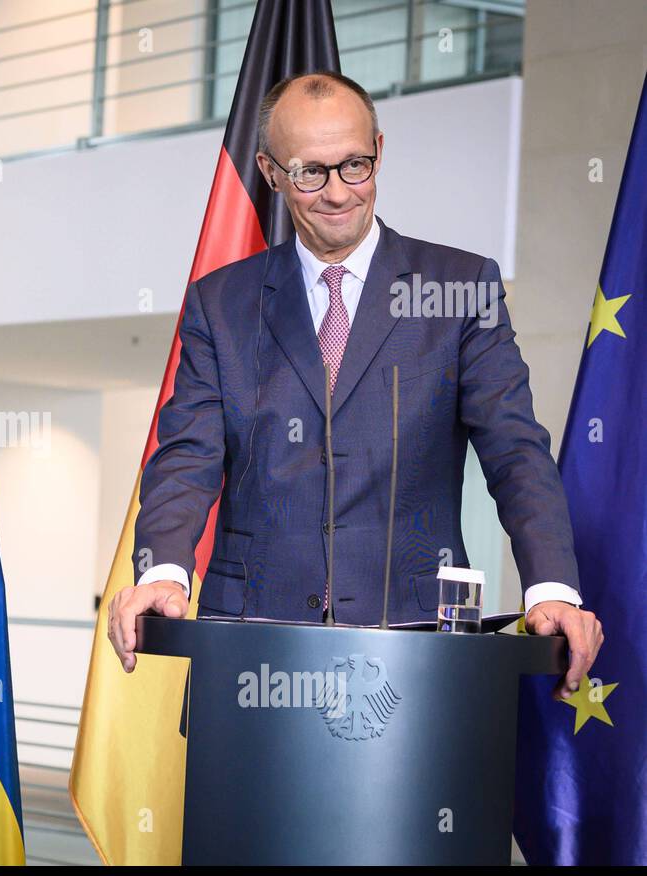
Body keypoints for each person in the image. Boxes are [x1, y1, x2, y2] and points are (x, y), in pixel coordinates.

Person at [108, 71, 602, 702]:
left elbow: (515, 450)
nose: (337, 192)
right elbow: (188, 457)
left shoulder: (461, 288)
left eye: (355, 166)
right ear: (270, 170)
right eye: (311, 172)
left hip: (419, 651)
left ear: (380, 151)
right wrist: (166, 570)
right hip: (251, 658)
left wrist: (552, 587)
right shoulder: (219, 303)